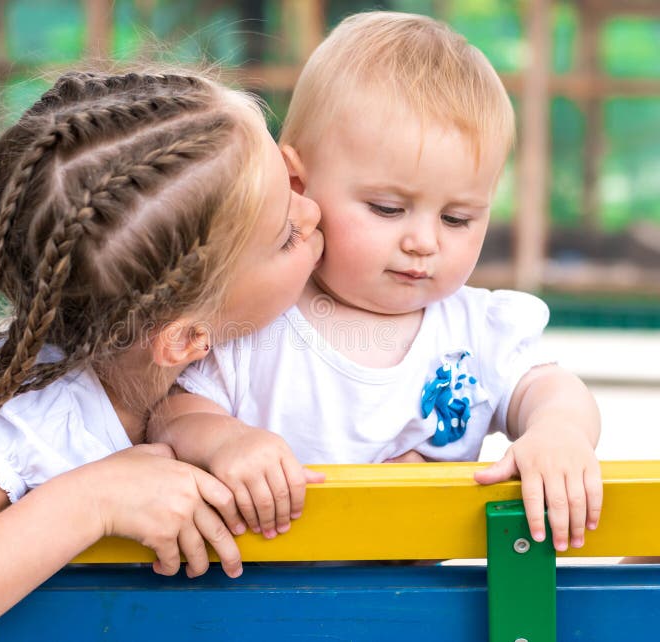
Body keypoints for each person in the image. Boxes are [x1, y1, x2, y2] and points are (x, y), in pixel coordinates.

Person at [0, 67, 324, 641]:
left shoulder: (233, 351)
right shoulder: (41, 412)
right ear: (184, 338)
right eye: (286, 235)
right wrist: (94, 500)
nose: (315, 213)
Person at [149, 12, 603, 554]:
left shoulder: (476, 328)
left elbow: (550, 389)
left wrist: (559, 434)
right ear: (299, 184)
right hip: (259, 604)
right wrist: (225, 441)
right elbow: (173, 414)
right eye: (388, 209)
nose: (424, 242)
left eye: (457, 219)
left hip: (421, 610)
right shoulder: (263, 312)